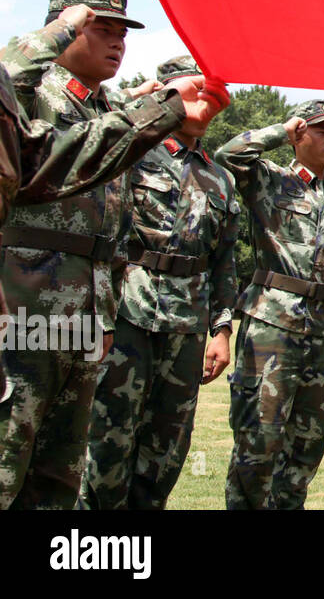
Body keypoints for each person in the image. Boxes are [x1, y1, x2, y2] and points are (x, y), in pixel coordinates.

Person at [0, 0, 211, 509]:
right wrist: (54, 32)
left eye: (124, 34)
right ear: (67, 28)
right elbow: (8, 78)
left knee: (59, 475)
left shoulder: (109, 107)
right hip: (23, 309)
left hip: (89, 312)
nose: (118, 43)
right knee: (6, 460)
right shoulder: (34, 93)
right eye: (102, 29)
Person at [79, 55, 241, 509]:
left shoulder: (220, 178)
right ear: (165, 95)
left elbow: (224, 261)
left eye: (212, 96)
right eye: (194, 92)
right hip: (126, 311)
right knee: (109, 437)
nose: (204, 104)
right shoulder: (129, 154)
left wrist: (222, 330)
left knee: (168, 445)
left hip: (187, 321)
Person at [218, 100, 324, 509]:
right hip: (271, 327)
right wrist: (280, 130)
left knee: (307, 442)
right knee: (259, 435)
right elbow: (228, 155)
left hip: (319, 330)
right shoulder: (269, 181)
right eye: (321, 131)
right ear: (300, 136)